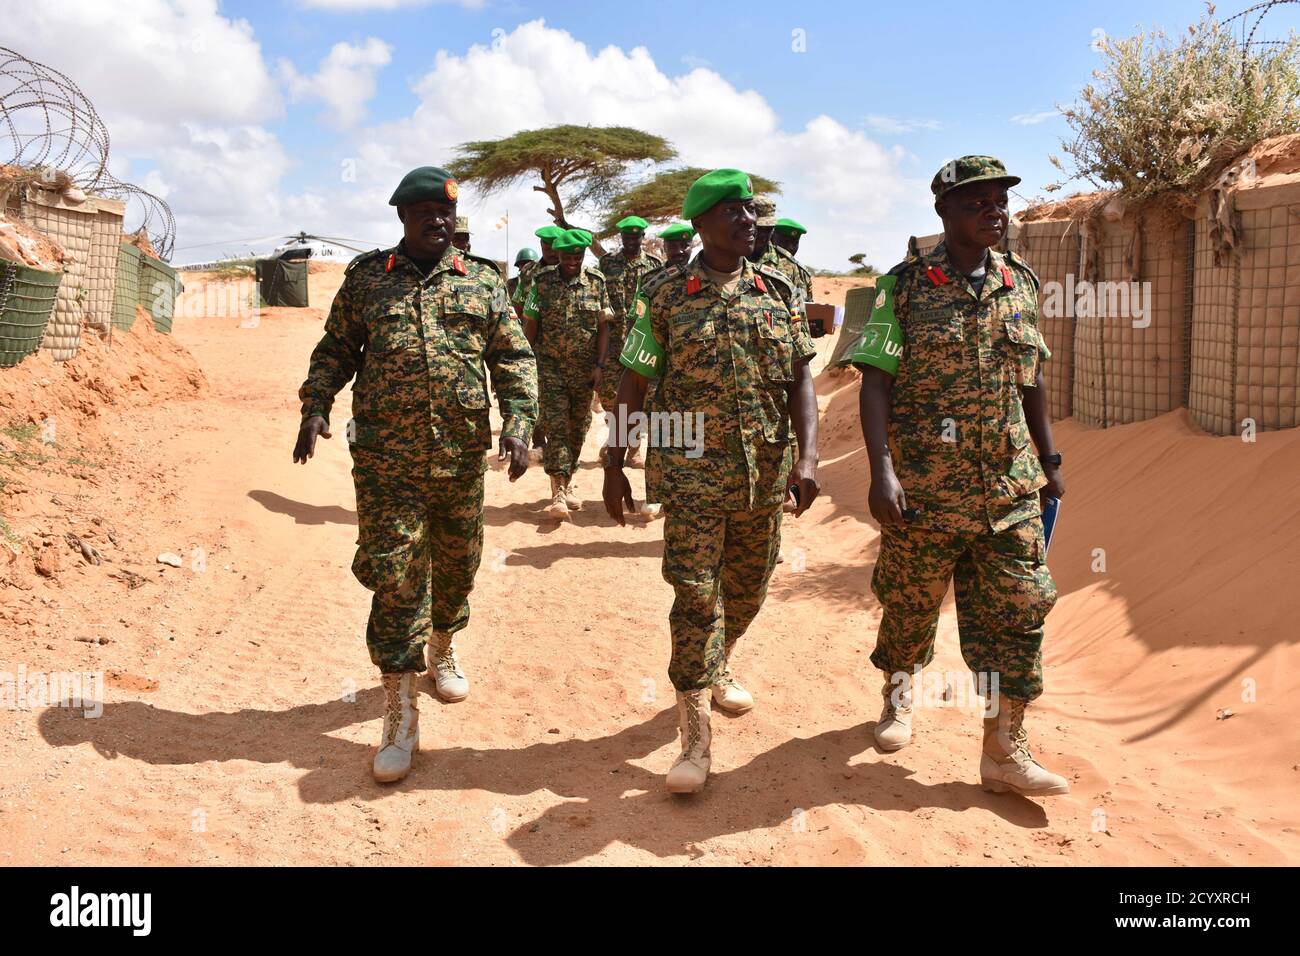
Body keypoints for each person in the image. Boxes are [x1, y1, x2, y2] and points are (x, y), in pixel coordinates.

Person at [294, 165, 537, 783]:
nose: (438, 221)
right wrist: (316, 404)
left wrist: (518, 421)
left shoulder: (483, 282)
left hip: (459, 460)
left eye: (446, 212)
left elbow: (512, 356)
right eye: (425, 212)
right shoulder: (369, 280)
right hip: (386, 462)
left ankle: (444, 643)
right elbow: (337, 349)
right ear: (402, 218)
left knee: (457, 564)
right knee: (397, 573)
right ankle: (399, 712)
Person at [852, 155, 1069, 796]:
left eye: (1000, 201)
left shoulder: (1020, 282)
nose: (993, 213)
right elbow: (875, 383)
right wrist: (881, 470)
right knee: (910, 606)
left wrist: (1049, 460)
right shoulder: (898, 288)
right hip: (926, 488)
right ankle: (897, 694)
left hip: (1009, 486)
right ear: (943, 212)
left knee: (1020, 611)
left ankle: (1004, 748)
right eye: (977, 203)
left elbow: (1032, 382)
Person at [604, 169, 820, 793]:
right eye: (733, 212)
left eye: (751, 210)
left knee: (747, 589)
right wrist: (616, 461)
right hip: (692, 474)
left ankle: (719, 661)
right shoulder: (665, 293)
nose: (749, 220)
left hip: (764, 472)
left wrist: (808, 459)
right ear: (701, 224)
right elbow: (635, 381)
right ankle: (693, 735)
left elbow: (801, 378)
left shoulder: (778, 291)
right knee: (697, 597)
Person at [522, 228, 614, 519]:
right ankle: (558, 489)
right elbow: (531, 327)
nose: (573, 261)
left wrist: (599, 366)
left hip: (584, 371)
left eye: (578, 256)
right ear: (558, 255)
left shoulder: (597, 283)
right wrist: (527, 364)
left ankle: (567, 480)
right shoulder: (541, 282)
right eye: (567, 257)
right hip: (549, 368)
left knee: (578, 428)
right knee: (557, 427)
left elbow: (603, 328)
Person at [596, 216, 663, 425]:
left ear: (643, 237)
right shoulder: (607, 264)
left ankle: (630, 446)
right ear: (621, 237)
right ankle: (617, 434)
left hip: (642, 343)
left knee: (642, 396)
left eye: (635, 236)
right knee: (609, 395)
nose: (631, 240)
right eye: (627, 236)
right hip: (614, 343)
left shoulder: (655, 265)